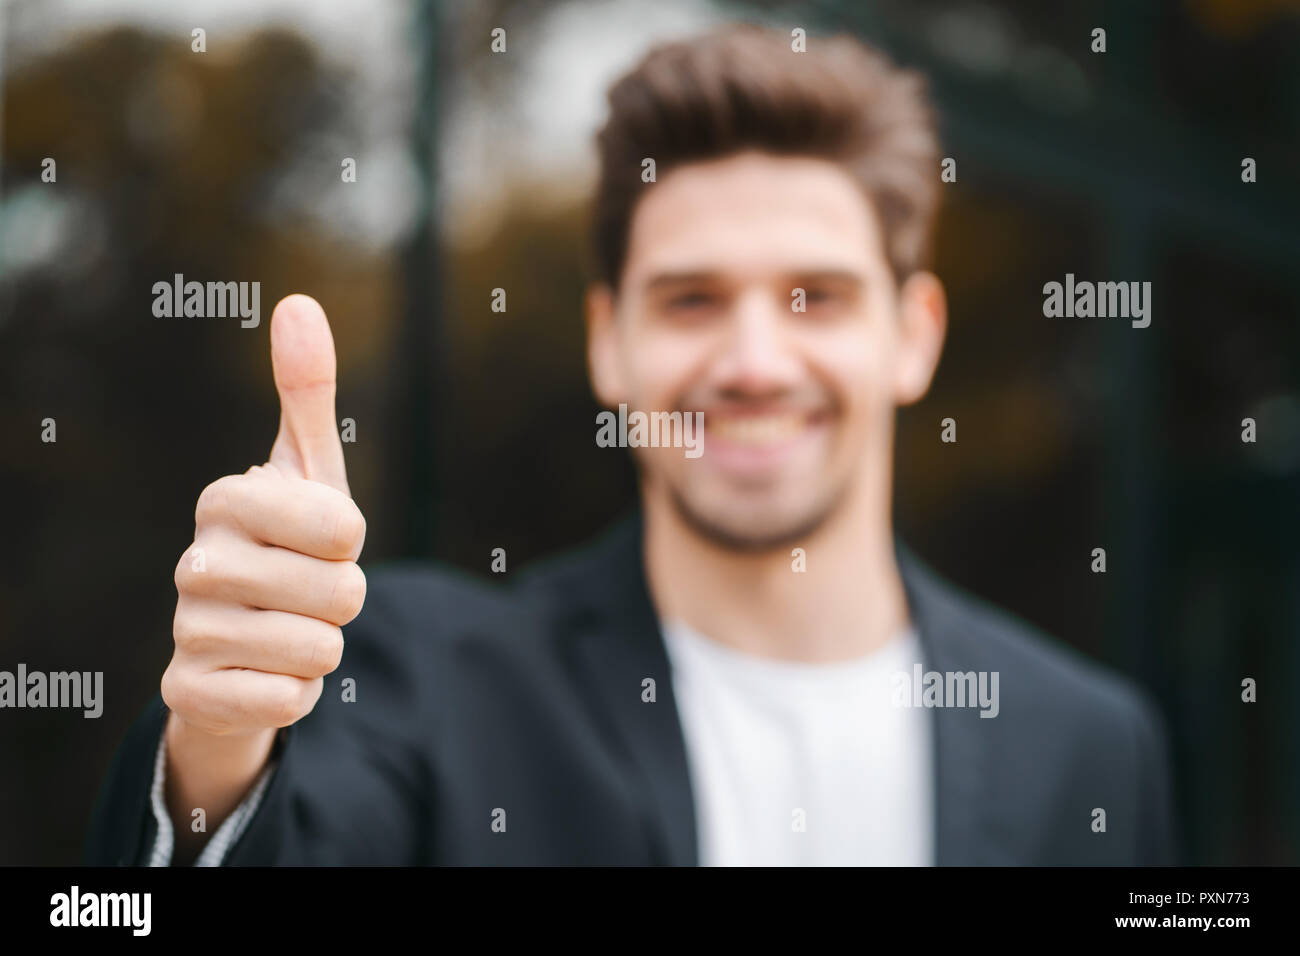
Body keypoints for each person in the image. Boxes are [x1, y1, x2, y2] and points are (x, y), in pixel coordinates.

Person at [86, 25, 1177, 866]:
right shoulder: (424, 674)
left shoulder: (1089, 742)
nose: (754, 360)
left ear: (913, 335)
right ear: (610, 343)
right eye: (692, 298)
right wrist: (220, 746)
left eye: (816, 296)